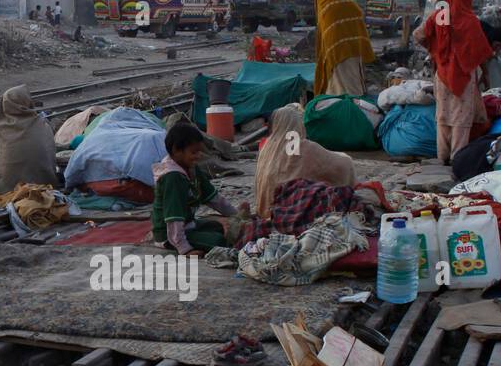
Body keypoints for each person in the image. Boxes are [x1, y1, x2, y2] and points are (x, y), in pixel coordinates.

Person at [413, 0, 493, 161]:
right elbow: (482, 53)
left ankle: (442, 158)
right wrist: (485, 76)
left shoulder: (439, 16)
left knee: (443, 115)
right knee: (461, 119)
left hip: (442, 74)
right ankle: (458, 159)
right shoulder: (471, 21)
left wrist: (434, 49)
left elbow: (418, 35)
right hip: (464, 77)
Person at [151, 123, 247, 254]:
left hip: (188, 224)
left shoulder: (192, 168)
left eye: (199, 151)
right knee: (218, 241)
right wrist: (185, 249)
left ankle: (235, 225)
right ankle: (181, 244)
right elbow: (174, 219)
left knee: (221, 225)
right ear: (176, 151)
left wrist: (236, 214)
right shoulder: (172, 178)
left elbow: (213, 198)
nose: (199, 156)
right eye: (194, 152)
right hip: (169, 234)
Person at [253, 104, 354, 219]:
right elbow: (342, 164)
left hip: (266, 211)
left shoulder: (267, 146)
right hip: (292, 212)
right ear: (298, 124)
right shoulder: (304, 146)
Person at [0, 85, 57, 196]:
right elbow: (51, 158)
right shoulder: (44, 126)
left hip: (4, 191)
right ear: (28, 102)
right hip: (43, 187)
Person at [313, 0, 376, 95]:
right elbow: (357, 12)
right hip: (349, 47)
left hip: (331, 47)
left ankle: (336, 107)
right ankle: (353, 107)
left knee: (335, 81)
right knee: (351, 83)